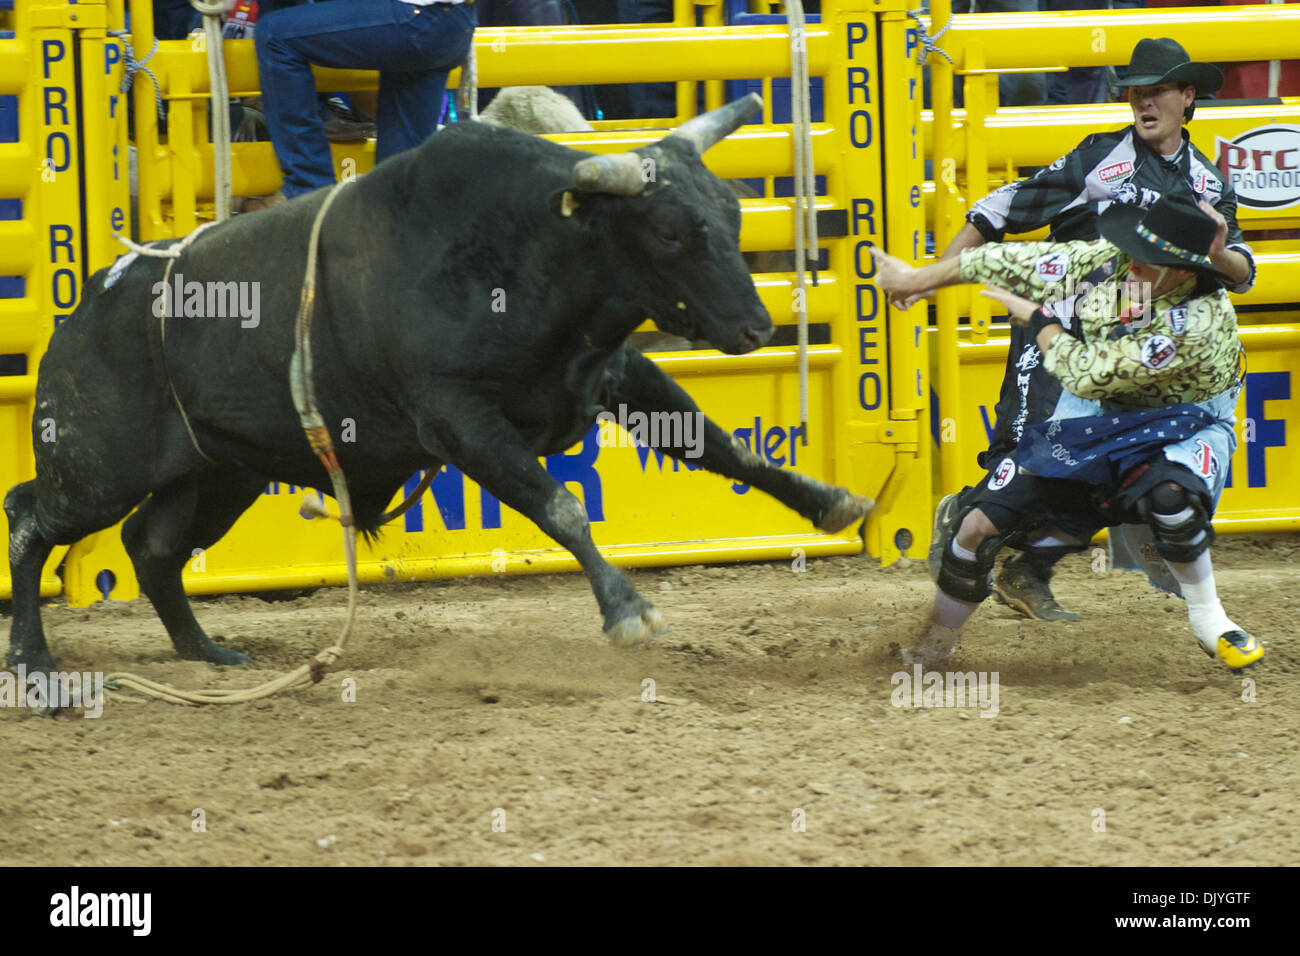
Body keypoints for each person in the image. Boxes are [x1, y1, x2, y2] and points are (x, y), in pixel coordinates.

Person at [909, 37, 1256, 622]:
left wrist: (1218, 255)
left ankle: (1024, 567)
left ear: (1186, 96)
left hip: (1127, 349)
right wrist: (930, 275)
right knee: (1031, 450)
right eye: (1136, 92)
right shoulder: (1098, 157)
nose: (1144, 102)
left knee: (1097, 469)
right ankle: (972, 519)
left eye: (1157, 91)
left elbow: (1240, 271)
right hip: (1057, 323)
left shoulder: (1209, 186)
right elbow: (1001, 209)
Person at [873, 195, 1265, 674]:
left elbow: (1090, 372)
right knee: (977, 527)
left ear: (1183, 273)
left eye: (1148, 262)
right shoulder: (1117, 261)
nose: (1132, 265)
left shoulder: (1200, 321)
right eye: (1133, 253)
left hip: (1183, 422)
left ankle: (1211, 618)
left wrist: (1039, 322)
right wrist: (917, 279)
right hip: (1101, 414)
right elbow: (1013, 258)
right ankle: (936, 643)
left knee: (1171, 497)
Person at [254, 0, 476, 201]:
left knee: (274, 36)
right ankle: (397, 232)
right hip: (455, 23)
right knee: (397, 184)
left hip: (417, 19)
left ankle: (311, 194)